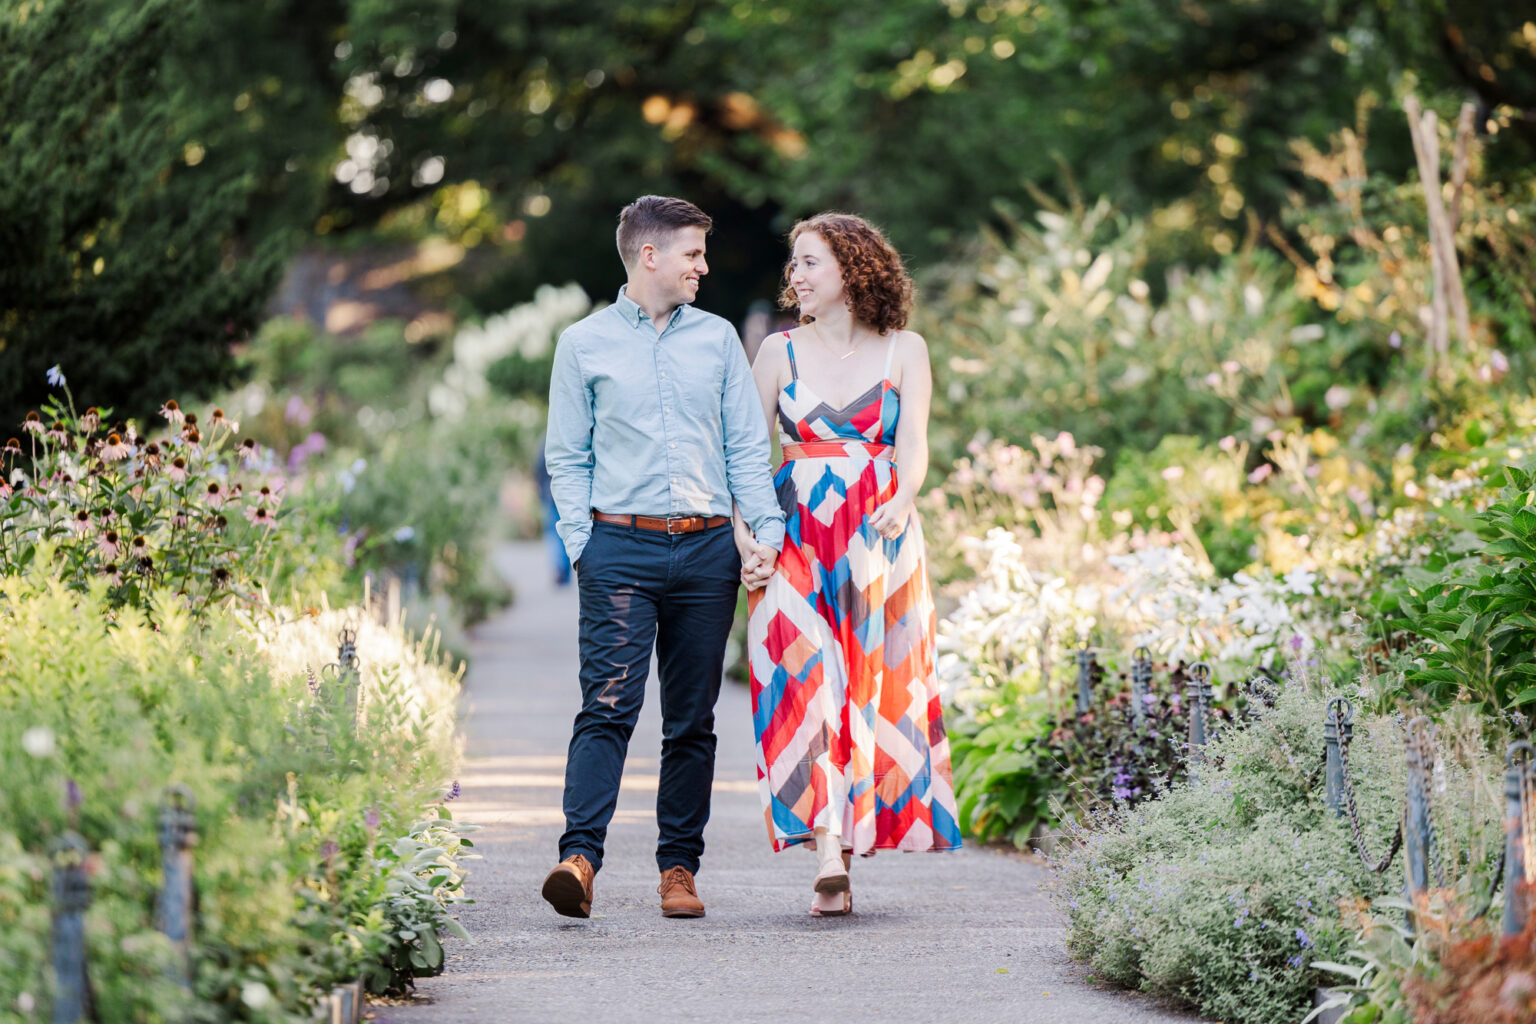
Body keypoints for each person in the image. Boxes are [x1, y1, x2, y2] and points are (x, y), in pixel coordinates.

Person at [540, 195, 783, 920]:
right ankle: (578, 860)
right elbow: (565, 455)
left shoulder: (715, 342)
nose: (703, 267)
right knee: (607, 707)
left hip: (708, 550)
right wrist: (586, 547)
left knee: (692, 719)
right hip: (619, 545)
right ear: (650, 256)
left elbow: (746, 448)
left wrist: (761, 535)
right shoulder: (582, 344)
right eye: (692, 254)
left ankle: (679, 870)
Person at [740, 212, 961, 917]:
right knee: (802, 683)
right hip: (795, 535)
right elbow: (743, 459)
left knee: (866, 692)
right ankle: (828, 849)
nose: (794, 275)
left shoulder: (906, 350)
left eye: (808, 262)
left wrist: (904, 494)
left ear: (851, 269)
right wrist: (749, 539)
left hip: (879, 540)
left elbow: (915, 444)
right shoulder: (777, 354)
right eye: (794, 264)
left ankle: (848, 833)